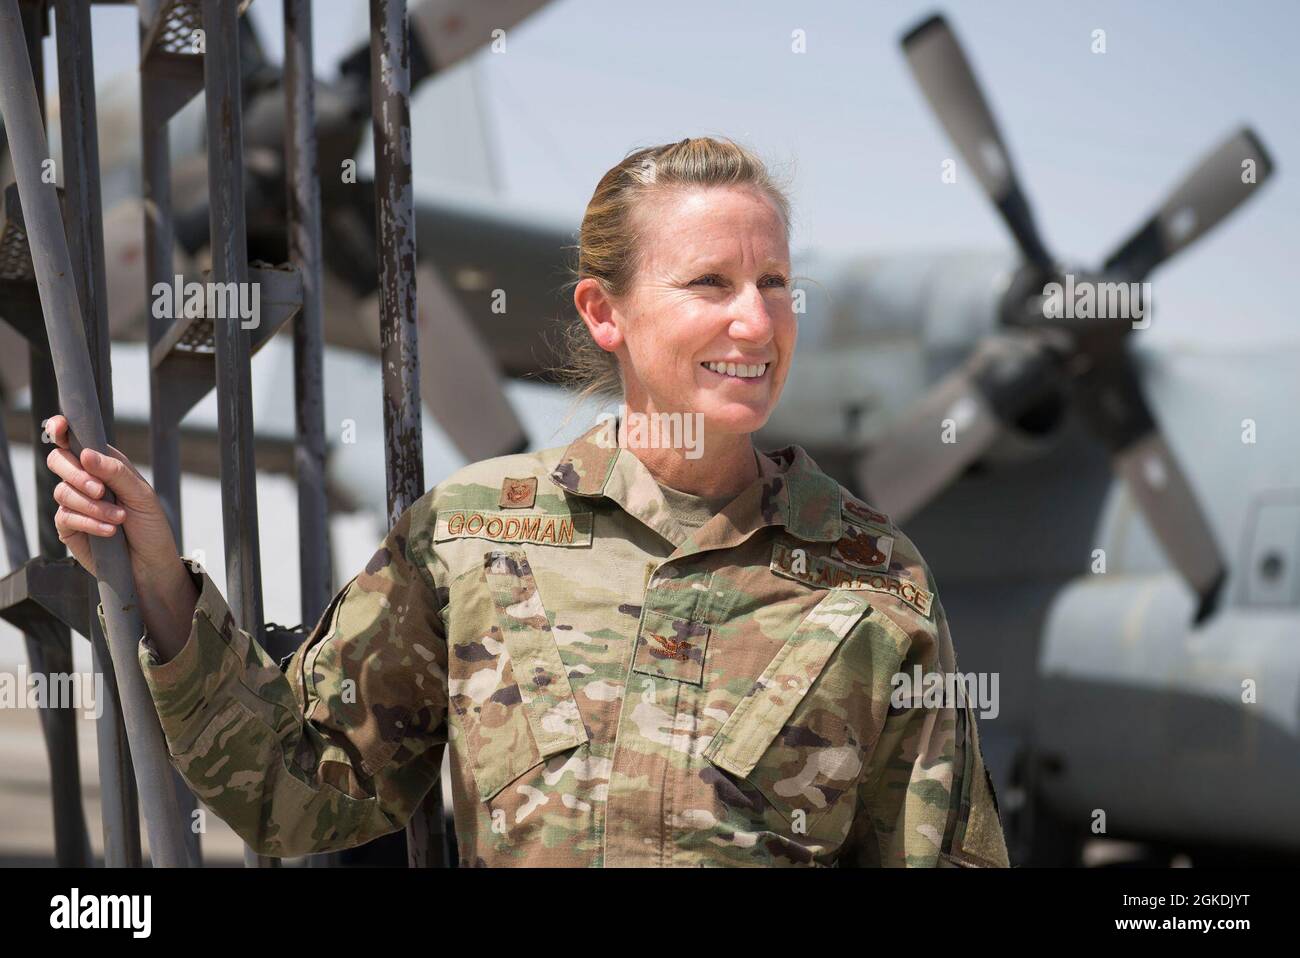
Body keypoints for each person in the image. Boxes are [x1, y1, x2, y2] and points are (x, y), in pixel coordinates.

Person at [44, 136, 1010, 868]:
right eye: (709, 283)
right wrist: (164, 586)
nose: (754, 321)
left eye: (776, 283)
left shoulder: (875, 579)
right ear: (604, 313)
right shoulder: (473, 535)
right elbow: (304, 790)